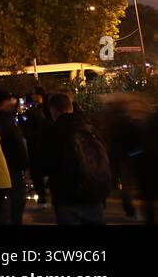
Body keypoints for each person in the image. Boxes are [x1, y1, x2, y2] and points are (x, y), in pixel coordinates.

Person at [42, 93, 111, 225]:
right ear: (71, 107)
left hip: (66, 197)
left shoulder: (52, 132)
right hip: (93, 194)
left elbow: (44, 165)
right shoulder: (90, 128)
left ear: (53, 110)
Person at [0, 91, 30, 224]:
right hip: (9, 166)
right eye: (10, 101)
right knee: (15, 200)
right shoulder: (1, 121)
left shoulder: (3, 118)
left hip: (8, 166)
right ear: (4, 102)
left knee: (11, 201)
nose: (12, 104)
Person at [22, 87, 52, 204]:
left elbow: (27, 126)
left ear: (38, 95)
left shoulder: (35, 110)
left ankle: (42, 196)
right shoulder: (47, 108)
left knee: (37, 172)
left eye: (34, 94)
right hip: (46, 144)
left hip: (36, 145)